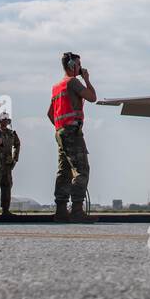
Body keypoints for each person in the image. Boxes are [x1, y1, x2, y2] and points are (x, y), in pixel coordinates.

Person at [48, 52, 97, 223]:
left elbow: (50, 113)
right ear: (71, 65)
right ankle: (76, 209)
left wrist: (60, 126)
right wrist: (87, 79)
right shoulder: (73, 82)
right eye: (78, 64)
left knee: (64, 171)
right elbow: (92, 97)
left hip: (60, 132)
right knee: (81, 170)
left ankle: (61, 210)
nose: (80, 67)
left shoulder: (57, 86)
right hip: (72, 132)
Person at [0, 115, 20, 217]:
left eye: (7, 120)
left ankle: (5, 210)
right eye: (3, 120)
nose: (5, 122)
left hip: (7, 164)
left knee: (7, 186)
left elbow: (17, 144)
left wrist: (15, 158)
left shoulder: (11, 134)